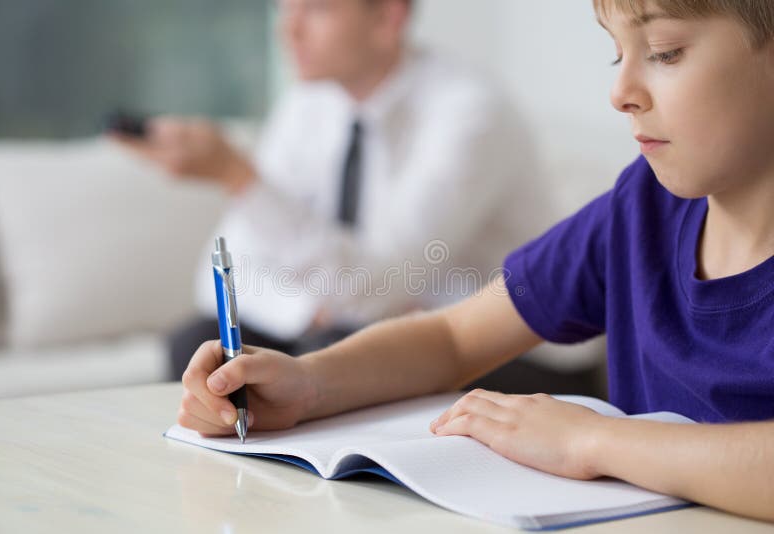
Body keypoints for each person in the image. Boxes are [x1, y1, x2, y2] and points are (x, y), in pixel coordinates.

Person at [176, 0, 774, 521]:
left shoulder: (471, 109)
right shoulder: (639, 208)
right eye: (618, 55)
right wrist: (308, 384)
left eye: (665, 53)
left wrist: (595, 441)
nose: (620, 93)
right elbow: (454, 336)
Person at [113, 0, 545, 381]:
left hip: (502, 346)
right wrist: (306, 312)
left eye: (316, 8)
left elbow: (374, 293)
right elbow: (222, 273)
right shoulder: (308, 104)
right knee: (199, 344)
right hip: (365, 323)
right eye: (282, 7)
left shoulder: (469, 113)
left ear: (387, 18)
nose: (288, 28)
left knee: (331, 353)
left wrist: (237, 175)